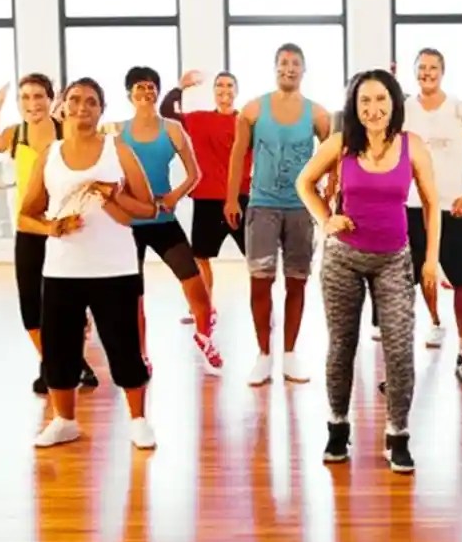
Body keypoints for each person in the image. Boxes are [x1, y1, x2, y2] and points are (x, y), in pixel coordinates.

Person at [296, 68, 441, 474]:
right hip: (344, 257)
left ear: (394, 103)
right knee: (342, 346)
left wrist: (430, 258)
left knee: (399, 349)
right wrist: (325, 219)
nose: (373, 109)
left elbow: (432, 205)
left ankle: (398, 435)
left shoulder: (413, 147)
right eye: (364, 102)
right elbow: (304, 182)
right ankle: (338, 428)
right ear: (354, 107)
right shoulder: (341, 144)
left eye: (381, 100)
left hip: (395, 258)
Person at [19, 77, 162, 449]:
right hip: (63, 270)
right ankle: (64, 420)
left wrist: (113, 197)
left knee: (124, 347)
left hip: (114, 268)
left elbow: (148, 208)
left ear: (101, 110)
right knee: (59, 350)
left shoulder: (119, 151)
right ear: (62, 106)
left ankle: (138, 420)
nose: (83, 107)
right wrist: (53, 226)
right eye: (76, 100)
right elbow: (25, 217)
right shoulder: (49, 155)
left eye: (92, 102)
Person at [0, 73, 98, 394]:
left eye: (38, 97)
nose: (32, 104)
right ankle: (54, 365)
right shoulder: (15, 134)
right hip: (30, 228)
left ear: (52, 100)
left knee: (66, 305)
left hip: (65, 228)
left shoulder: (67, 132)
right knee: (31, 306)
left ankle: (70, 363)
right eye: (25, 98)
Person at [227, 43, 333, 386]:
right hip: (262, 204)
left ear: (304, 70)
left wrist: (330, 193)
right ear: (275, 67)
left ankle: (289, 353)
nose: (289, 68)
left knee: (297, 281)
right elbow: (238, 154)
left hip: (302, 208)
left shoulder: (318, 115)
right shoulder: (254, 109)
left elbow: (334, 156)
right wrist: (232, 198)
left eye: (295, 63)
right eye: (284, 62)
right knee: (261, 281)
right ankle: (263, 354)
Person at [114, 66, 222, 375]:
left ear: (157, 92)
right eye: (139, 88)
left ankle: (204, 335)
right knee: (134, 297)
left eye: (151, 87)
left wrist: (174, 196)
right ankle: (142, 355)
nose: (146, 93)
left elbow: (195, 173)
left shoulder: (172, 128)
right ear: (129, 95)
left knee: (195, 285)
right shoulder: (117, 132)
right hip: (129, 223)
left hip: (163, 220)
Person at [397, 47, 462, 385]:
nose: (427, 73)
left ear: (443, 71)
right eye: (421, 67)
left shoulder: (460, 109)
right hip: (409, 208)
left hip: (450, 208)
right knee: (409, 283)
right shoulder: (404, 109)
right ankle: (425, 333)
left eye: (433, 67)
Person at [158, 69, 253, 305]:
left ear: (236, 91)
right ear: (214, 92)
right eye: (220, 85)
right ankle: (204, 308)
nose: (225, 90)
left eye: (230, 86)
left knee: (255, 258)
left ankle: (261, 306)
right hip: (207, 199)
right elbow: (167, 112)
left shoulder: (248, 123)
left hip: (240, 198)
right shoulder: (199, 119)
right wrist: (180, 87)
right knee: (200, 256)